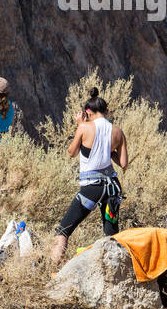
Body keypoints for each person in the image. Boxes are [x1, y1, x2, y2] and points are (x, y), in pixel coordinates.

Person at [50, 88, 130, 263]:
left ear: (87, 113)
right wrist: (108, 150)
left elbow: (72, 152)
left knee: (64, 230)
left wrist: (80, 125)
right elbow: (123, 164)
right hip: (112, 188)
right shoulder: (118, 131)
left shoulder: (84, 127)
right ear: (107, 111)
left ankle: (49, 271)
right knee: (112, 235)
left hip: (91, 188)